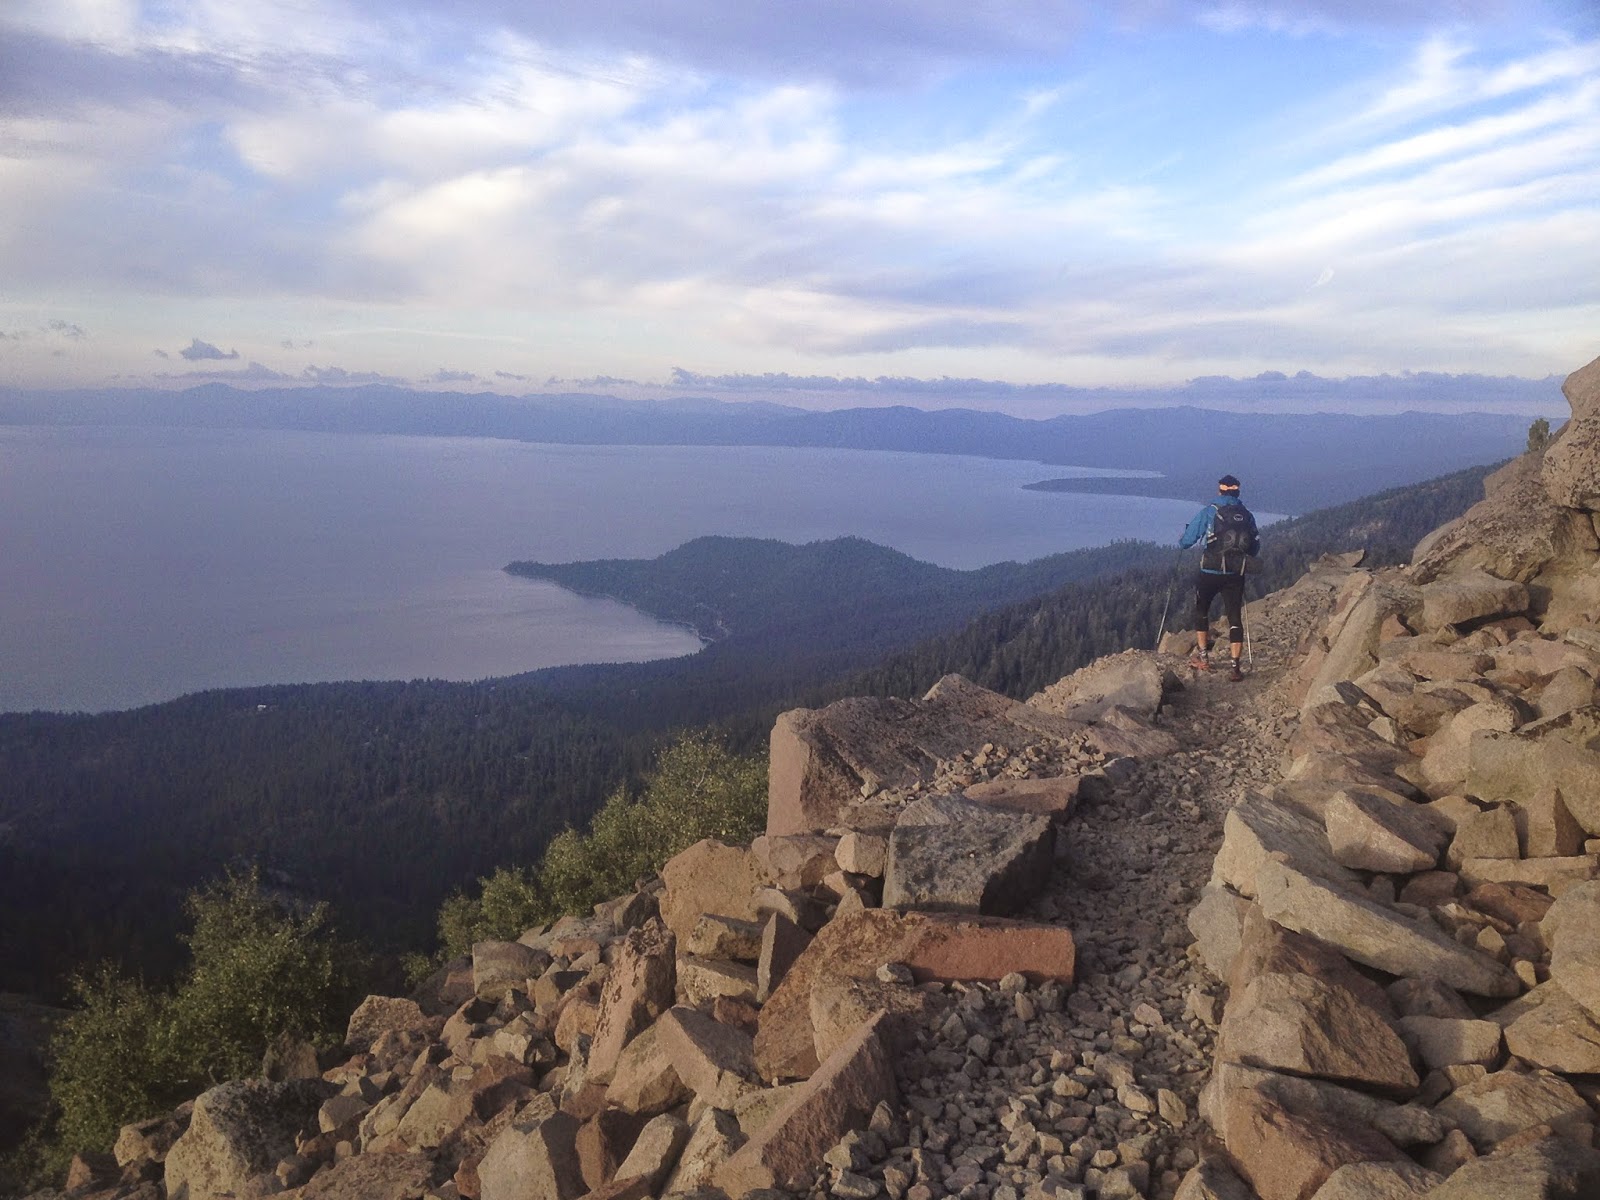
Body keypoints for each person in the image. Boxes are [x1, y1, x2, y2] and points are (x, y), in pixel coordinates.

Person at [1179, 474, 1259, 682]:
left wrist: (1184, 538)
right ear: (1238, 492)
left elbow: (1187, 541)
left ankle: (1204, 657)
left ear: (1220, 490)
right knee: (1234, 617)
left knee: (1201, 611)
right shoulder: (1247, 515)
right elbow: (1255, 547)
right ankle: (1235, 667)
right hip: (1235, 573)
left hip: (1210, 571)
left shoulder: (1210, 511)